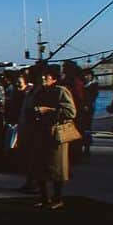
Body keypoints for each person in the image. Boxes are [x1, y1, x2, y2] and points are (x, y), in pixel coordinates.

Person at [26, 65, 76, 209]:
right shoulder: (39, 91)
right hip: (40, 132)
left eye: (45, 76)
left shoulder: (61, 91)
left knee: (57, 167)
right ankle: (44, 197)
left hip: (56, 134)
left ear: (53, 78)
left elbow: (70, 112)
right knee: (39, 165)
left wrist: (48, 110)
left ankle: (58, 198)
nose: (42, 79)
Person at [81, 68, 100, 154]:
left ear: (91, 76)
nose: (86, 77)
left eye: (88, 75)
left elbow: (93, 97)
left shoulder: (93, 85)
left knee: (87, 127)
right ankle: (84, 145)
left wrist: (86, 105)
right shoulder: (83, 85)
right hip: (84, 108)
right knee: (84, 127)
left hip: (89, 108)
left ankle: (87, 147)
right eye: (85, 75)